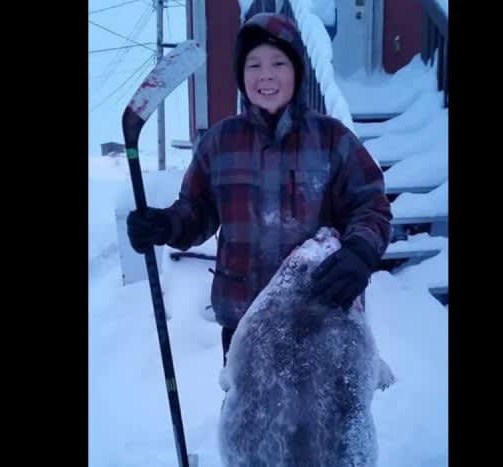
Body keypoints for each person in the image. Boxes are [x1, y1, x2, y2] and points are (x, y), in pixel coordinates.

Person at [127, 12, 391, 367]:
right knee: (248, 406)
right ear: (241, 75)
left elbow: (370, 204)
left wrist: (360, 251)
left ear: (298, 70)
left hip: (320, 323)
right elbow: (196, 212)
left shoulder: (331, 139)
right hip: (243, 327)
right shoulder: (220, 143)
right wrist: (164, 225)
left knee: (319, 406)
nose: (266, 75)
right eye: (254, 65)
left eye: (278, 63)